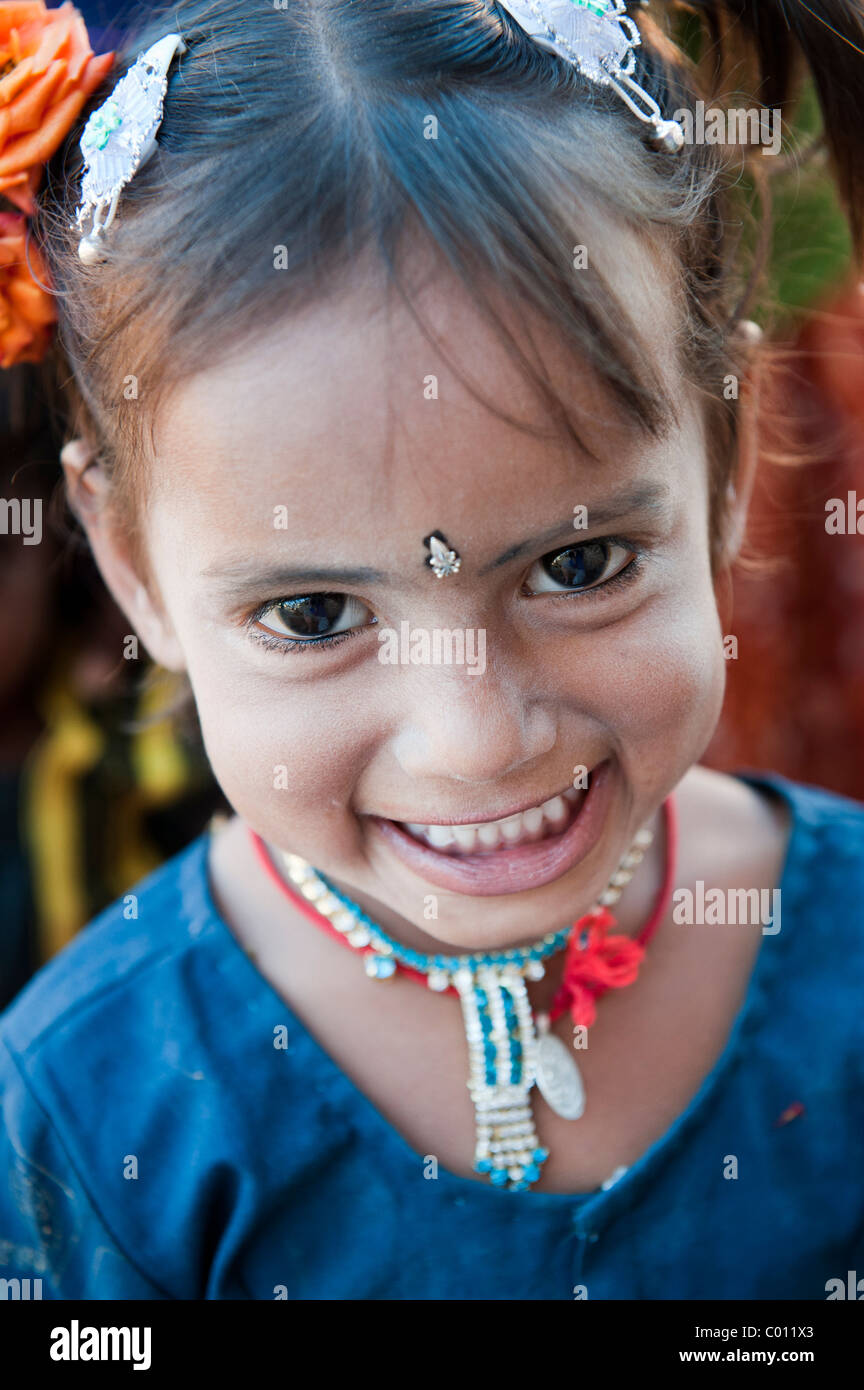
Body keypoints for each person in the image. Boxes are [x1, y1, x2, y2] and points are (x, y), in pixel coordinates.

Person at [0, 0, 862, 1300]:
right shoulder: (81, 1121)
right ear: (134, 568)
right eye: (313, 614)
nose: (478, 740)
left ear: (727, 469)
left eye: (578, 565)